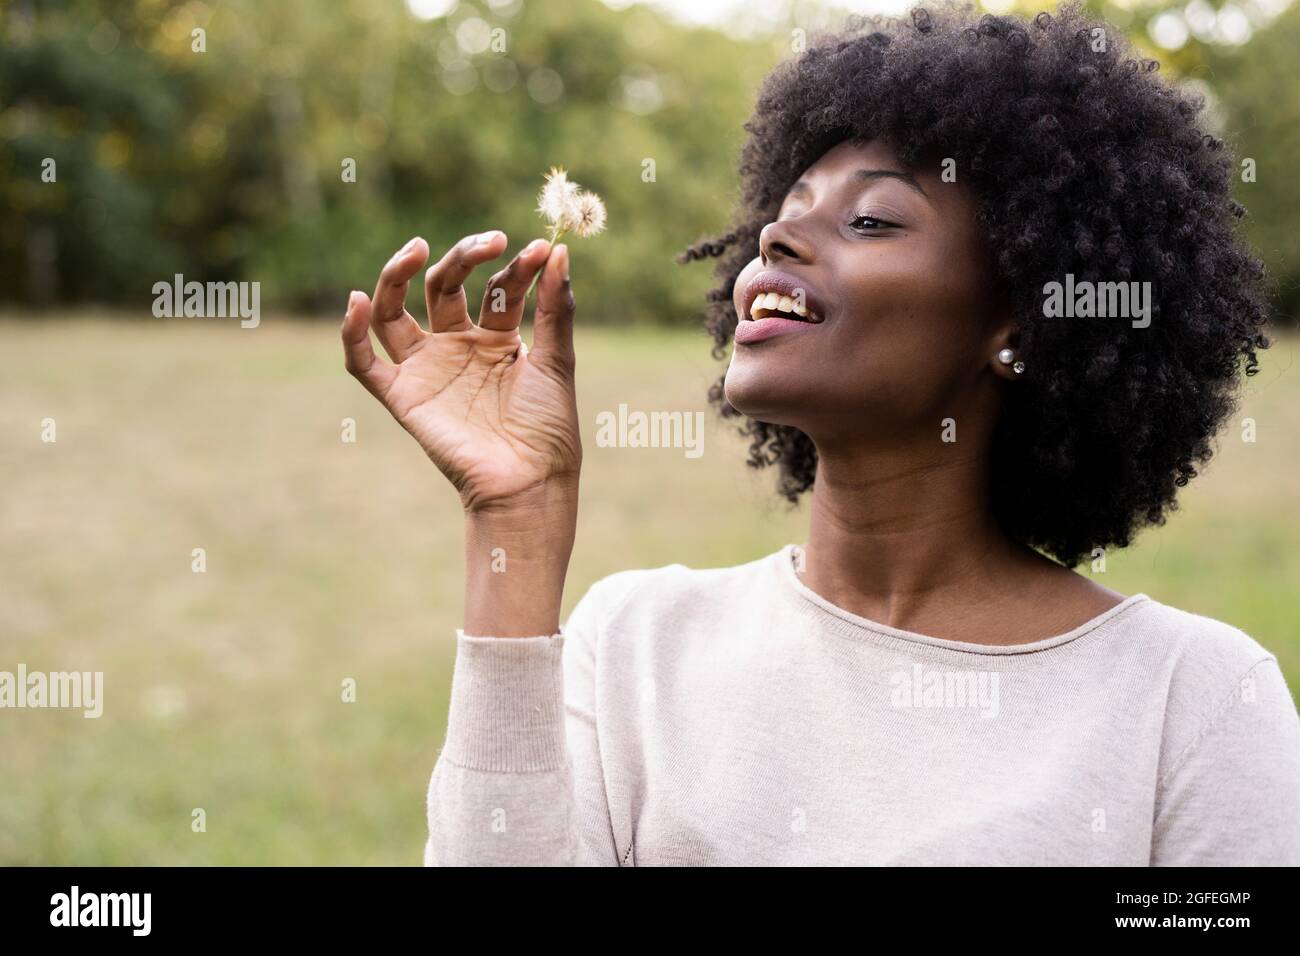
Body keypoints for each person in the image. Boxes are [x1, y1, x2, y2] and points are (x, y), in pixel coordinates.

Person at [340, 3, 1300, 865]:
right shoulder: (634, 645)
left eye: (873, 219)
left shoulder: (1196, 703)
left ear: (1018, 322)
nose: (776, 240)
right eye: (785, 210)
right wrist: (515, 522)